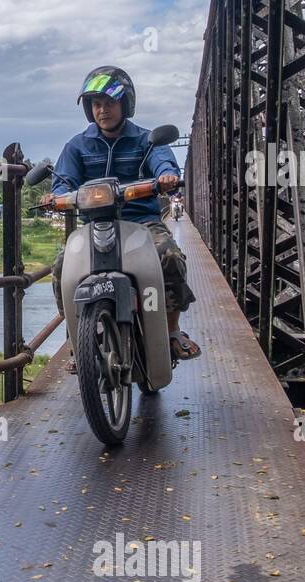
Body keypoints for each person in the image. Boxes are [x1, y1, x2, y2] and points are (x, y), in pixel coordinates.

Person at [44, 65, 200, 364]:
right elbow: (63, 182)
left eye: (110, 103)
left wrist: (166, 176)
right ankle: (78, 337)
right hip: (95, 225)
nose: (103, 110)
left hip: (141, 222)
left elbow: (163, 162)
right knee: (61, 267)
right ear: (90, 110)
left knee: (169, 256)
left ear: (125, 103)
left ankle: (171, 332)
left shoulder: (146, 140)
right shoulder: (77, 146)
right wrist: (55, 196)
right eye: (96, 104)